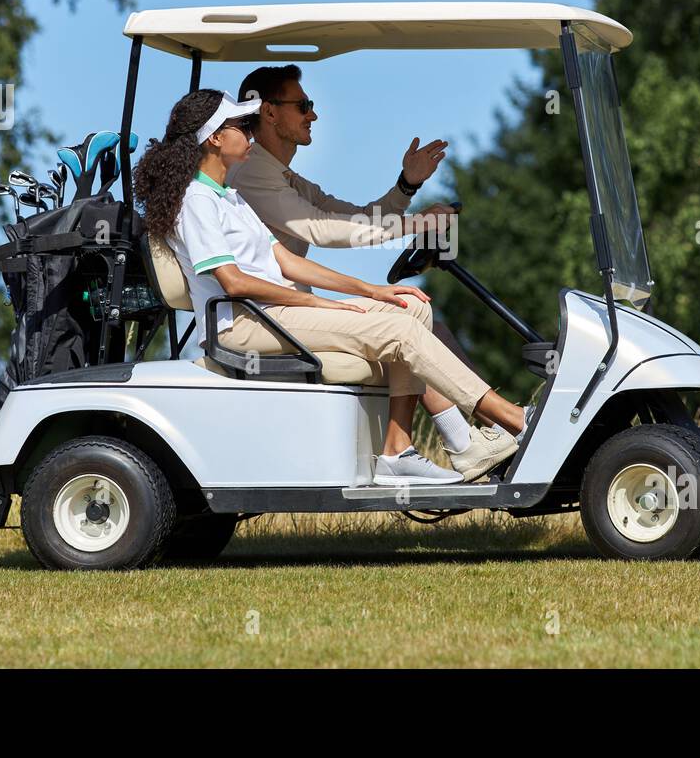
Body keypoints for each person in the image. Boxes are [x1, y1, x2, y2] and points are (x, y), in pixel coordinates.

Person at [133, 89, 528, 486]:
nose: (248, 133)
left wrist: (370, 290)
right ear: (214, 138)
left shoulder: (231, 198)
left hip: (274, 316)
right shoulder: (197, 201)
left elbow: (288, 263)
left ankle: (402, 451)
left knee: (411, 309)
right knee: (398, 330)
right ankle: (511, 420)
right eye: (240, 125)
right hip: (242, 324)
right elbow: (233, 282)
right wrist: (323, 304)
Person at [226, 64, 517, 480]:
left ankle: (426, 447)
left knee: (412, 309)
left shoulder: (282, 175)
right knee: (403, 325)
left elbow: (351, 216)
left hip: (296, 311)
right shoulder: (253, 172)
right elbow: (321, 230)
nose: (314, 115)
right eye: (304, 105)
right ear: (269, 113)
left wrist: (406, 187)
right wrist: (416, 225)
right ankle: (503, 423)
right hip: (273, 315)